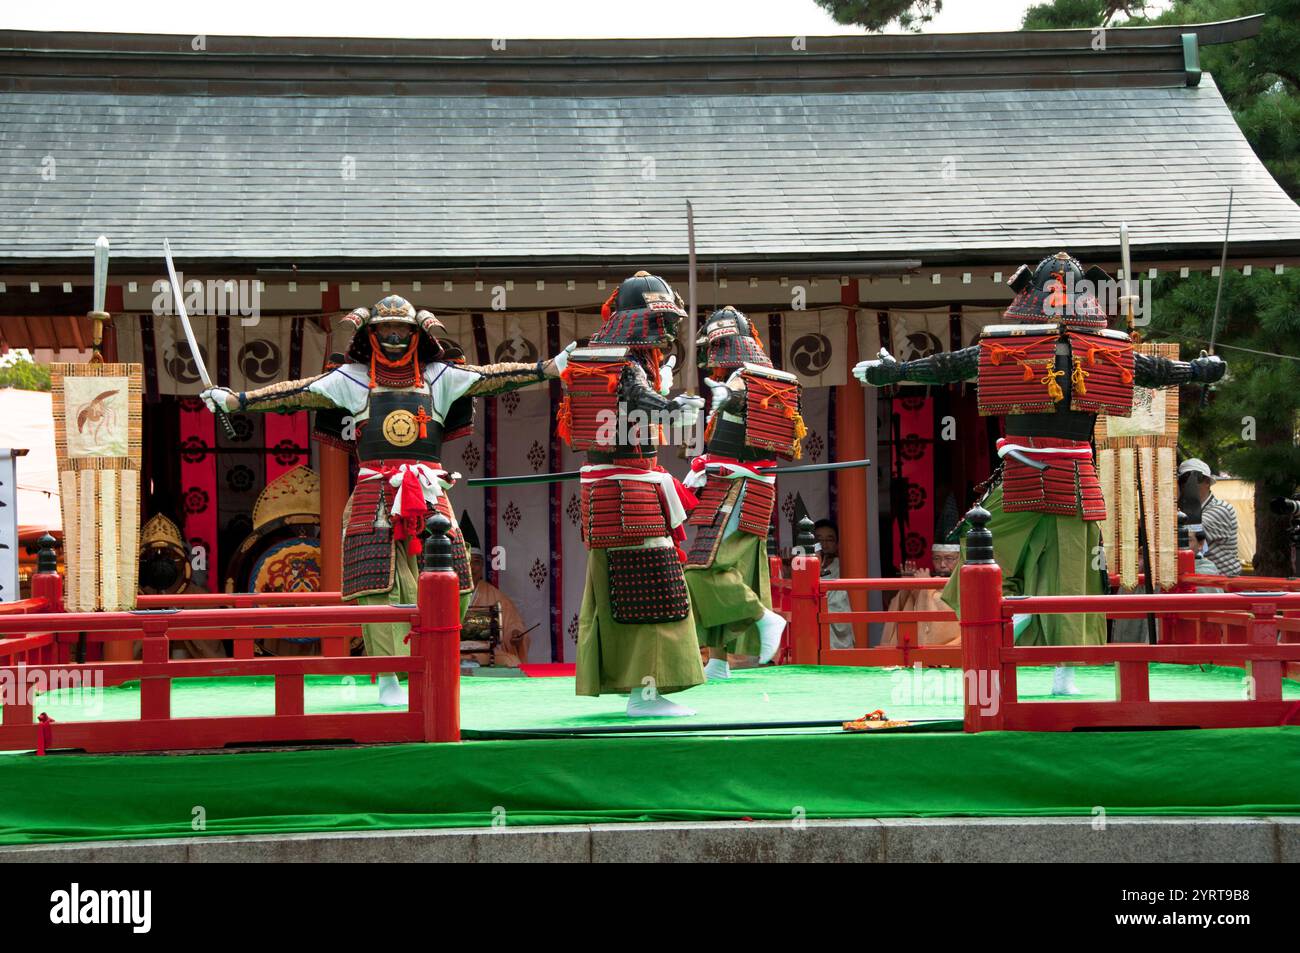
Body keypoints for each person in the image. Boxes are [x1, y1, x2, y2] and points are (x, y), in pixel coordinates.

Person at [855, 251, 1225, 694]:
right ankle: (1032, 628)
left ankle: (1037, 637)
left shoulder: (1006, 347)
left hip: (1029, 473)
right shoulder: (1105, 351)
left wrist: (893, 370)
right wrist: (1201, 370)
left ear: (1030, 293)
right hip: (1068, 475)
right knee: (1064, 576)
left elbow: (946, 365)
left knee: (992, 555)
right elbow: (1160, 371)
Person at [201, 294, 570, 705]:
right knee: (378, 587)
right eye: (385, 331)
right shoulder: (352, 378)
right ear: (369, 335)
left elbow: (492, 377)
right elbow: (297, 393)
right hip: (374, 491)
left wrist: (547, 369)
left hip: (427, 490)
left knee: (458, 582)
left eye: (402, 331)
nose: (394, 338)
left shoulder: (439, 377)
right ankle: (388, 677)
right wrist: (238, 401)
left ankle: (428, 658)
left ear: (417, 335)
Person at [558, 271, 706, 716]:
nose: (668, 331)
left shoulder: (618, 357)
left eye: (671, 322)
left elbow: (640, 394)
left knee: (623, 585)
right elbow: (636, 397)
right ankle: (645, 695)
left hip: (624, 488)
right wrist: (673, 407)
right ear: (639, 320)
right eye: (660, 321)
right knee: (650, 584)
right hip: (627, 491)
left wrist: (668, 398)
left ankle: (638, 689)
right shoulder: (622, 363)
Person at [683, 307, 798, 680]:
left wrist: (728, 395)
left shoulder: (755, 382)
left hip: (742, 489)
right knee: (718, 567)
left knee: (706, 569)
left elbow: (741, 399)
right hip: (722, 484)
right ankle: (718, 660)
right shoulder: (735, 380)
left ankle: (764, 618)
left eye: (718, 345)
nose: (713, 355)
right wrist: (703, 467)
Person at [138, 513, 227, 660]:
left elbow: (211, 652)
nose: (162, 560)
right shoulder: (133, 601)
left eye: (169, 554)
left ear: (183, 559)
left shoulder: (202, 600)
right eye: (153, 554)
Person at [461, 512, 530, 667]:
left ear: (483, 565)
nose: (472, 567)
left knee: (512, 661)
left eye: (476, 562)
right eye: (468, 561)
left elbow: (513, 624)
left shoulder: (494, 595)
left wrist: (514, 635)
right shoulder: (445, 593)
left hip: (484, 655)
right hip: (453, 653)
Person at [880, 543, 961, 647]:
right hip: (919, 643)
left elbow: (945, 607)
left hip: (953, 644)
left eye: (949, 558)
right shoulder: (930, 579)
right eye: (937, 558)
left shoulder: (965, 579)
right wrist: (907, 587)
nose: (942, 564)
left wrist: (925, 587)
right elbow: (905, 607)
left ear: (959, 560)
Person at [1178, 458, 1242, 577]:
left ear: (1207, 481)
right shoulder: (1184, 511)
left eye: (1195, 478)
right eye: (1184, 479)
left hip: (1225, 585)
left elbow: (1187, 534)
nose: (1188, 484)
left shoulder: (1222, 509)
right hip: (1203, 580)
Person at [813, 519, 856, 649]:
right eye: (819, 539)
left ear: (837, 544)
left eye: (829, 540)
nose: (824, 544)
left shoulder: (845, 566)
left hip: (837, 621)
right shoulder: (805, 567)